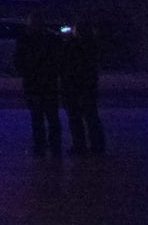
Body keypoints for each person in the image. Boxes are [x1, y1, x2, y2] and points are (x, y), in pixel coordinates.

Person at [13, 12, 63, 155]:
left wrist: (24, 71)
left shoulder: (24, 39)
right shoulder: (51, 39)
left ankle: (40, 146)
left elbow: (18, 60)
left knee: (37, 117)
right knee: (51, 116)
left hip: (33, 82)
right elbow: (58, 59)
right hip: (48, 82)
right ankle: (55, 145)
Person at [60, 22, 105, 155]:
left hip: (75, 85)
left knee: (78, 117)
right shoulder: (91, 45)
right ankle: (95, 145)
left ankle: (81, 145)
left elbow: (66, 65)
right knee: (89, 116)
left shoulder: (72, 45)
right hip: (84, 85)